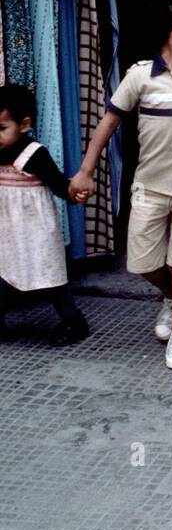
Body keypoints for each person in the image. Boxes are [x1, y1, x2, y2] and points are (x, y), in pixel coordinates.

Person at [70, 0, 172, 371]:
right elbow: (108, 124)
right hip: (150, 186)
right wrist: (85, 171)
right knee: (143, 261)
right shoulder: (140, 77)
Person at [0, 84, 90, 346]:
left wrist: (74, 193)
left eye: (2, 129)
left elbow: (59, 184)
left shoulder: (34, 153)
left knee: (48, 274)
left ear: (24, 124)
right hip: (5, 227)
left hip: (34, 228)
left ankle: (73, 320)